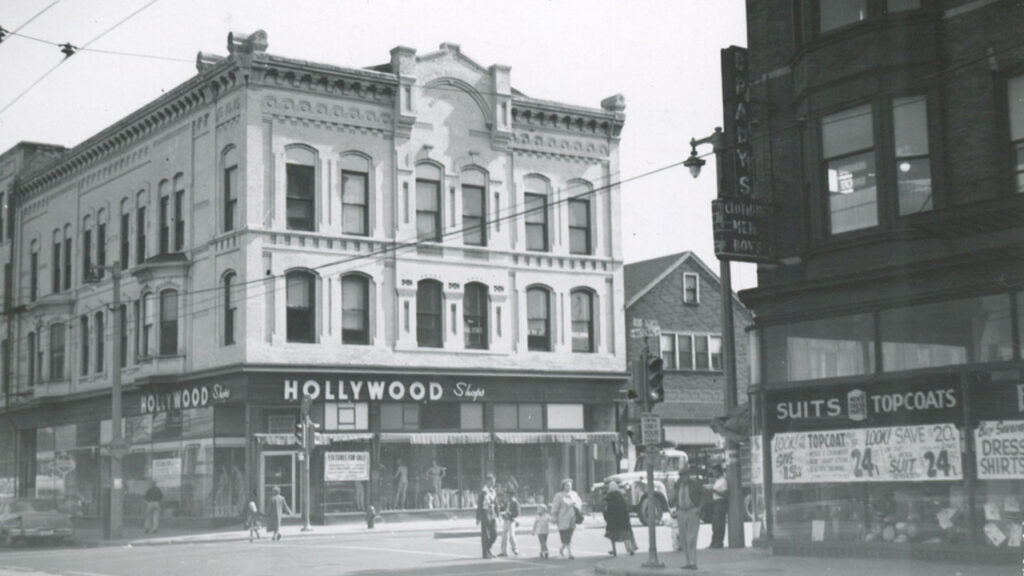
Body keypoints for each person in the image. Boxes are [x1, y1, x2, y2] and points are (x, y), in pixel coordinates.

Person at [674, 458, 704, 570]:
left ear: (688, 475)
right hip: (681, 512)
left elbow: (704, 496)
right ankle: (687, 562)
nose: (682, 477)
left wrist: (699, 508)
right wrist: (676, 509)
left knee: (691, 538)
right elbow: (675, 497)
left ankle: (693, 562)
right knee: (683, 539)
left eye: (684, 475)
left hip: (692, 510)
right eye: (681, 475)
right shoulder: (678, 485)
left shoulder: (695, 484)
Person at [549, 477, 583, 559]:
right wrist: (554, 515)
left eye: (570, 485)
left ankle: (567, 551)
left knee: (569, 534)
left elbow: (579, 503)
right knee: (565, 535)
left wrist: (577, 507)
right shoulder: (559, 495)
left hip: (572, 517)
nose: (569, 487)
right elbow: (555, 506)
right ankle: (566, 550)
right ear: (563, 486)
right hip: (563, 518)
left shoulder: (574, 494)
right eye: (567, 486)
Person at [603, 481, 636, 557]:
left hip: (613, 522)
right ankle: (630, 549)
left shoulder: (608, 497)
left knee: (612, 536)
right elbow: (625, 508)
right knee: (625, 535)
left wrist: (606, 518)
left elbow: (606, 509)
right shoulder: (621, 496)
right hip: (623, 520)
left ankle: (614, 550)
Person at [476, 474, 498, 558]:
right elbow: (479, 505)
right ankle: (485, 553)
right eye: (491, 481)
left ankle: (487, 549)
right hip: (485, 512)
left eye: (494, 481)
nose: (493, 483)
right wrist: (478, 517)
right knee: (485, 534)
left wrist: (498, 513)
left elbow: (495, 503)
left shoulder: (493, 491)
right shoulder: (483, 492)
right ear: (487, 481)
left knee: (494, 534)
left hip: (492, 512)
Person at [709, 464, 728, 548]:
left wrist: (713, 491)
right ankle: (714, 541)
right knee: (715, 523)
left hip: (720, 502)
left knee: (719, 523)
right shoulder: (717, 481)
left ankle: (719, 542)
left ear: (719, 472)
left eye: (715, 472)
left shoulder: (723, 481)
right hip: (715, 502)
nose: (714, 474)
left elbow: (725, 494)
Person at [498, 486, 520, 557]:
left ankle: (515, 549)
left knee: (511, 535)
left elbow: (517, 513)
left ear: (512, 495)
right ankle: (504, 551)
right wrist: (502, 512)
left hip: (511, 520)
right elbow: (501, 509)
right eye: (507, 494)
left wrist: (510, 514)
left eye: (509, 494)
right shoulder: (505, 502)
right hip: (506, 520)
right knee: (504, 536)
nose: (507, 496)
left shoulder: (515, 502)